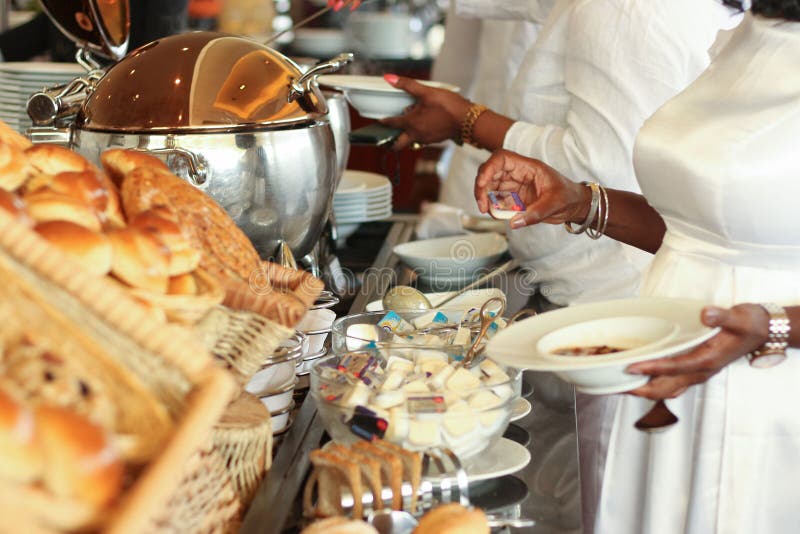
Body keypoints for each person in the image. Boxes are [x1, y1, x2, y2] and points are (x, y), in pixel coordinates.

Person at [472, 1, 800, 531]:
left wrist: (772, 326)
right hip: (669, 359)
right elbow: (708, 232)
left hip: (771, 392)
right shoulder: (752, 32)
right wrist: (580, 201)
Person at [382, 0, 739, 308]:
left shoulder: (621, 10)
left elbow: (603, 167)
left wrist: (469, 121)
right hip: (593, 280)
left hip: (606, 293)